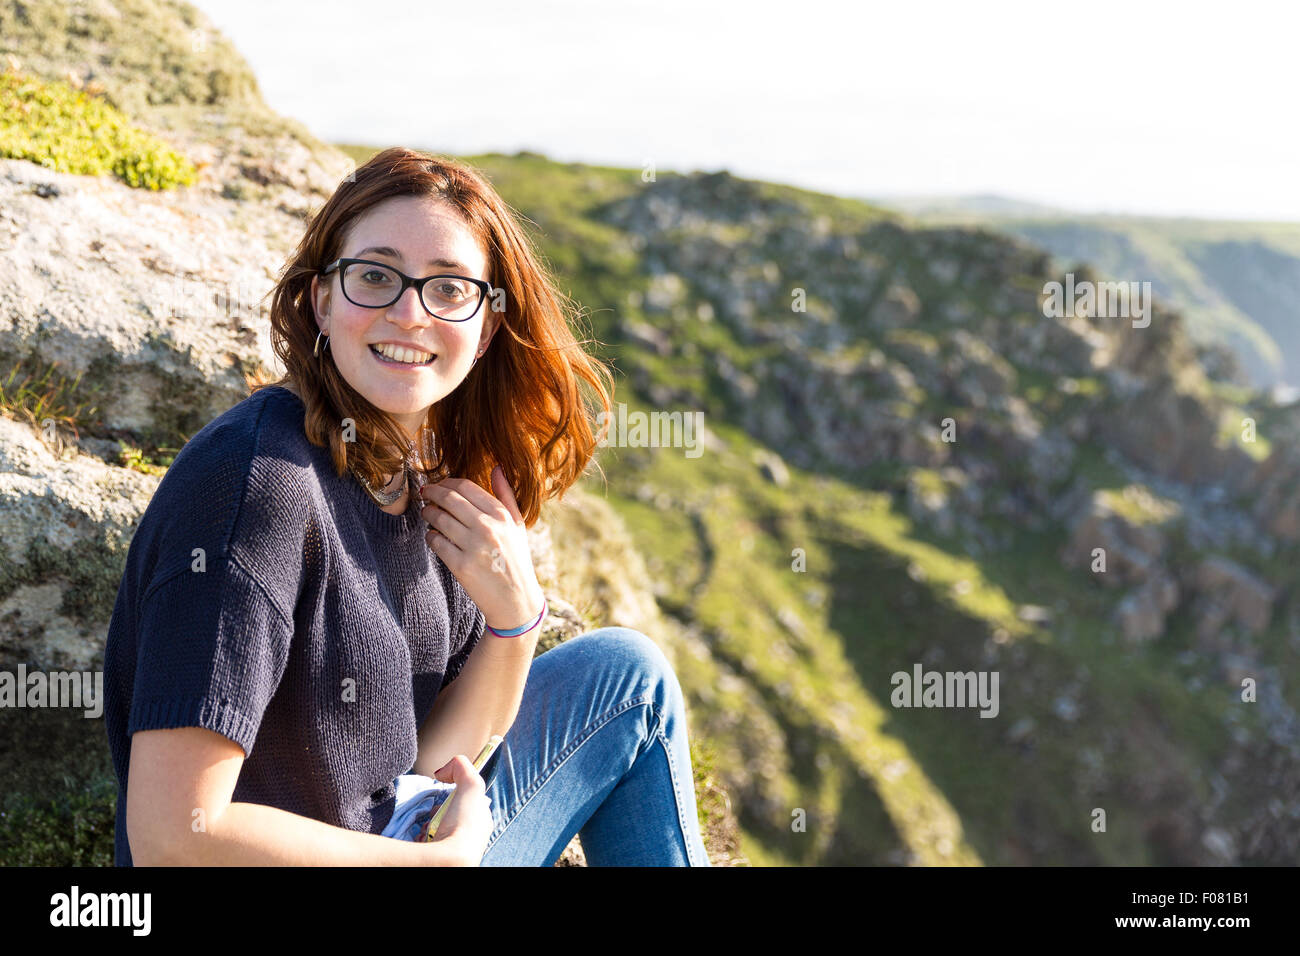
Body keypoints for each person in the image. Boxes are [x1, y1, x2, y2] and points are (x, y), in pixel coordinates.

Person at [102, 146, 711, 866]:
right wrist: (430, 864)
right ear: (321, 298)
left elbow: (425, 762)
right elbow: (173, 836)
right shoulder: (254, 485)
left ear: (486, 328)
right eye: (375, 276)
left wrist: (515, 625)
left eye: (449, 288)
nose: (409, 312)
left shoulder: (428, 482)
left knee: (627, 677)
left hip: (391, 837)